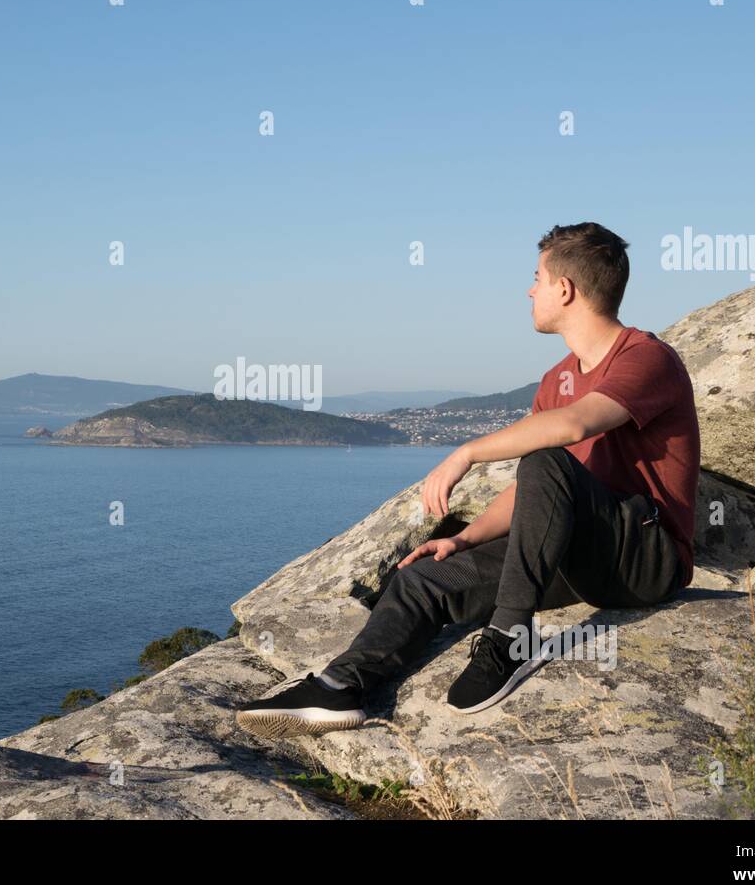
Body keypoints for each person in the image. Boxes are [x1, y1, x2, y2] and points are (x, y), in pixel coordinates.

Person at [235, 222, 701, 738]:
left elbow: (573, 428)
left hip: (647, 557)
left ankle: (510, 639)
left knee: (544, 459)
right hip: (578, 552)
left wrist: (467, 453)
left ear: (565, 289)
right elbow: (537, 495)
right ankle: (341, 688)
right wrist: (461, 539)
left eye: (537, 277)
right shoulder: (556, 381)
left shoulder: (647, 357)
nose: (530, 290)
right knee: (426, 576)